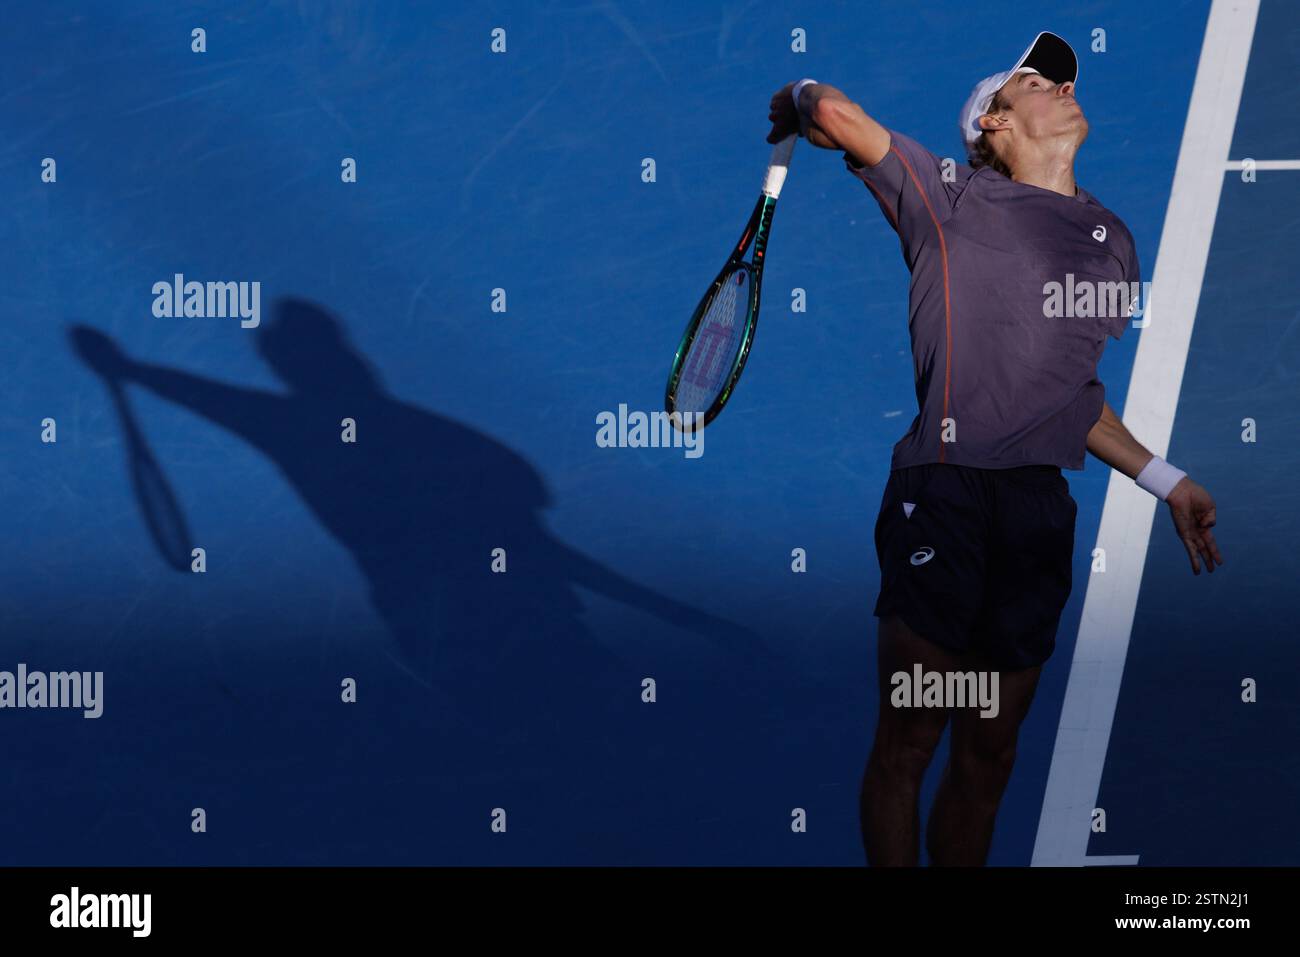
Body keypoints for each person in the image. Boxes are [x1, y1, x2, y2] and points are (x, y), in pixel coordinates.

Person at [767, 32, 1224, 865]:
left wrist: (1164, 478)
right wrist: (796, 99)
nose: (1059, 87)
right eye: (1034, 82)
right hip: (943, 495)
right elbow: (834, 111)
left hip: (1035, 510)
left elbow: (1072, 394)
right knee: (910, 742)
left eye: (1059, 80)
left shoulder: (1109, 240)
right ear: (994, 125)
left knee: (990, 753)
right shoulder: (948, 195)